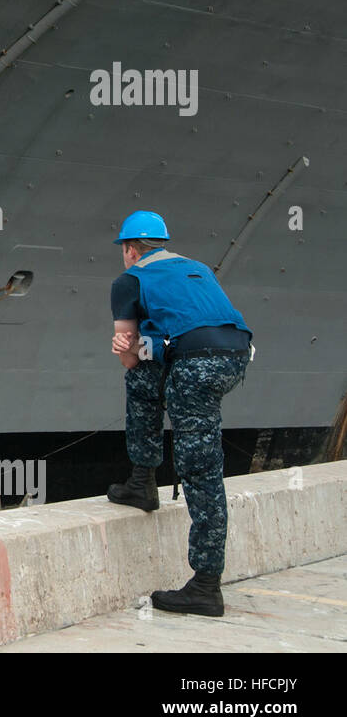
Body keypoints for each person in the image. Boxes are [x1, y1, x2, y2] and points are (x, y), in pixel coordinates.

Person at [107, 210, 251, 616]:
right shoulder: (197, 268)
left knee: (200, 470)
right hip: (235, 354)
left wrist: (128, 351)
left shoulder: (128, 280)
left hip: (196, 364)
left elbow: (130, 358)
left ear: (130, 249)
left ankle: (206, 584)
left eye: (124, 249)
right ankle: (142, 482)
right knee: (148, 379)